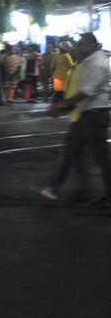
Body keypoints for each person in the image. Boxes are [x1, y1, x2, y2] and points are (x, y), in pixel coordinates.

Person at [39, 32, 111, 206]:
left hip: (94, 116)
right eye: (79, 43)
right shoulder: (87, 62)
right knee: (73, 152)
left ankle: (57, 187)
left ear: (93, 45)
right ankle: (65, 188)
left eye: (83, 44)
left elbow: (86, 92)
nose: (80, 46)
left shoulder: (96, 63)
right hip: (86, 114)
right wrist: (66, 106)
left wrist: (60, 105)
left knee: (99, 157)